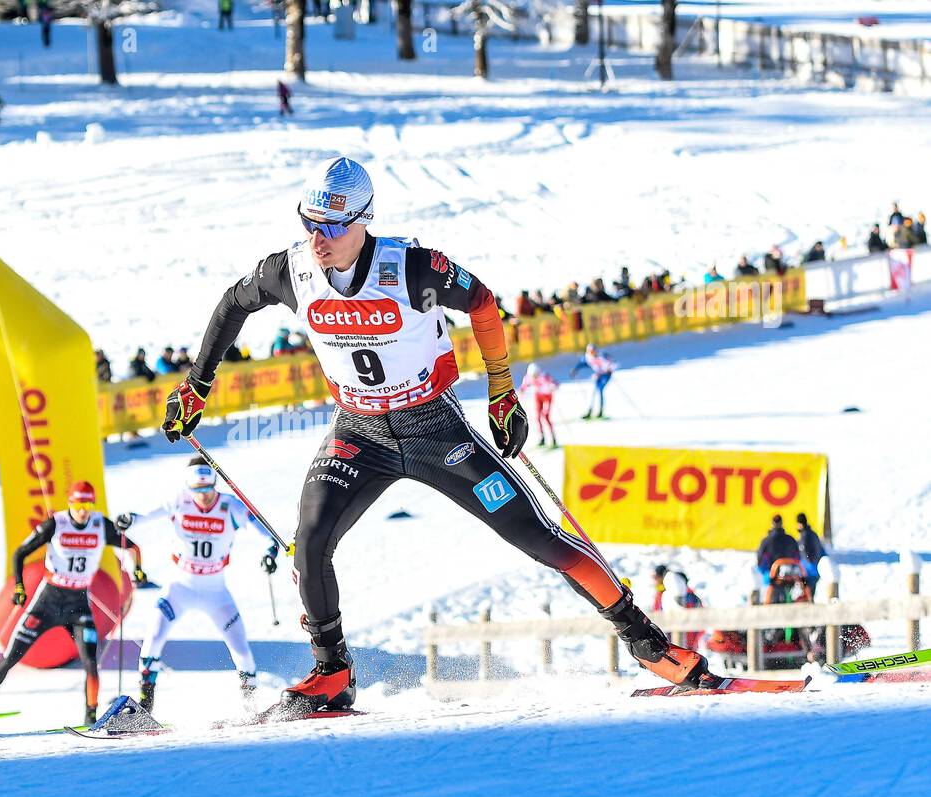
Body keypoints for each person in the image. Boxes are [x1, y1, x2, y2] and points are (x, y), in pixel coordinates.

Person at [159, 156, 716, 719]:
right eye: (309, 223)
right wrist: (196, 386)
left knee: (539, 538)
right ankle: (333, 672)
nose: (317, 237)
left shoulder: (411, 267)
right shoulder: (292, 270)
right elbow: (234, 303)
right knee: (311, 539)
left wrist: (502, 392)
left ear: (363, 221)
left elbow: (482, 302)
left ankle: (652, 648)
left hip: (433, 426)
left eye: (331, 226)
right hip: (358, 432)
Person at [0, 481, 144, 726]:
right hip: (48, 601)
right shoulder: (56, 524)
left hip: (78, 604)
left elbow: (133, 548)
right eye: (78, 504)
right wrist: (19, 587)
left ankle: (91, 716)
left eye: (87, 504)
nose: (83, 510)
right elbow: (20, 553)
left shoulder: (101, 525)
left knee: (90, 662)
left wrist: (138, 571)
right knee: (11, 655)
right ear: (70, 502)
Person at [117, 457, 280, 716]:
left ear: (214, 483)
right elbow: (146, 516)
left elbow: (266, 535)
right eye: (197, 491)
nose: (202, 496)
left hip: (216, 593)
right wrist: (129, 519)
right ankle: (145, 710)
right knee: (152, 641)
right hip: (179, 588)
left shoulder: (230, 506)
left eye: (207, 490)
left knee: (242, 651)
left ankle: (251, 711)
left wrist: (270, 553)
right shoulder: (178, 501)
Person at [755, 515, 800, 597]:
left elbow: (760, 561)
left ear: (772, 524)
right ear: (782, 523)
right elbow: (798, 558)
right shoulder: (791, 540)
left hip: (771, 577)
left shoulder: (766, 541)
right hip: (790, 575)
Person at [570, 342, 616, 419]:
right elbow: (581, 364)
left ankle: (600, 411)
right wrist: (575, 370)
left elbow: (611, 362)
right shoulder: (587, 357)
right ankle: (590, 411)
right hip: (598, 374)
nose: (592, 353)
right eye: (590, 352)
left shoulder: (602, 355)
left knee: (600, 390)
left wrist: (609, 367)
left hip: (606, 374)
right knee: (593, 392)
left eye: (593, 351)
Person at [518, 362, 558, 448]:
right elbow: (524, 385)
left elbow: (555, 383)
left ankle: (553, 438)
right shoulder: (528, 377)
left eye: (536, 375)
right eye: (533, 375)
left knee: (546, 416)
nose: (535, 377)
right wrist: (521, 390)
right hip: (538, 396)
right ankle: (542, 438)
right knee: (538, 417)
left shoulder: (544, 376)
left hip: (547, 396)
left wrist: (553, 386)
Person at [795, 513, 827, 599]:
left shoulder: (804, 536)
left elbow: (804, 552)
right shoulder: (813, 534)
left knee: (808, 593)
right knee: (810, 593)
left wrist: (807, 562)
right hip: (816, 568)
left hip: (809, 570)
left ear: (799, 524)